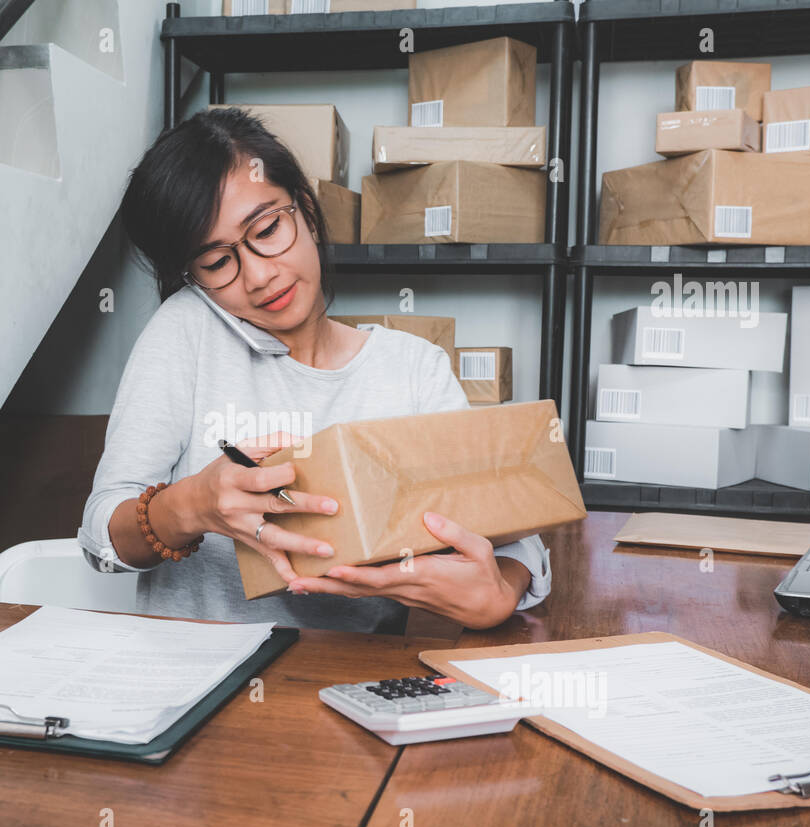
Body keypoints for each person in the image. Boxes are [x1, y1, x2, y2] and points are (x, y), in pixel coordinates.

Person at [76, 107, 551, 634]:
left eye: (267, 228)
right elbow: (101, 538)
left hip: (356, 686)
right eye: (216, 263)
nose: (259, 275)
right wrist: (190, 507)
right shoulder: (186, 330)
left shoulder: (412, 369)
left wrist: (498, 593)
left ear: (303, 206)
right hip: (193, 683)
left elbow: (512, 528)